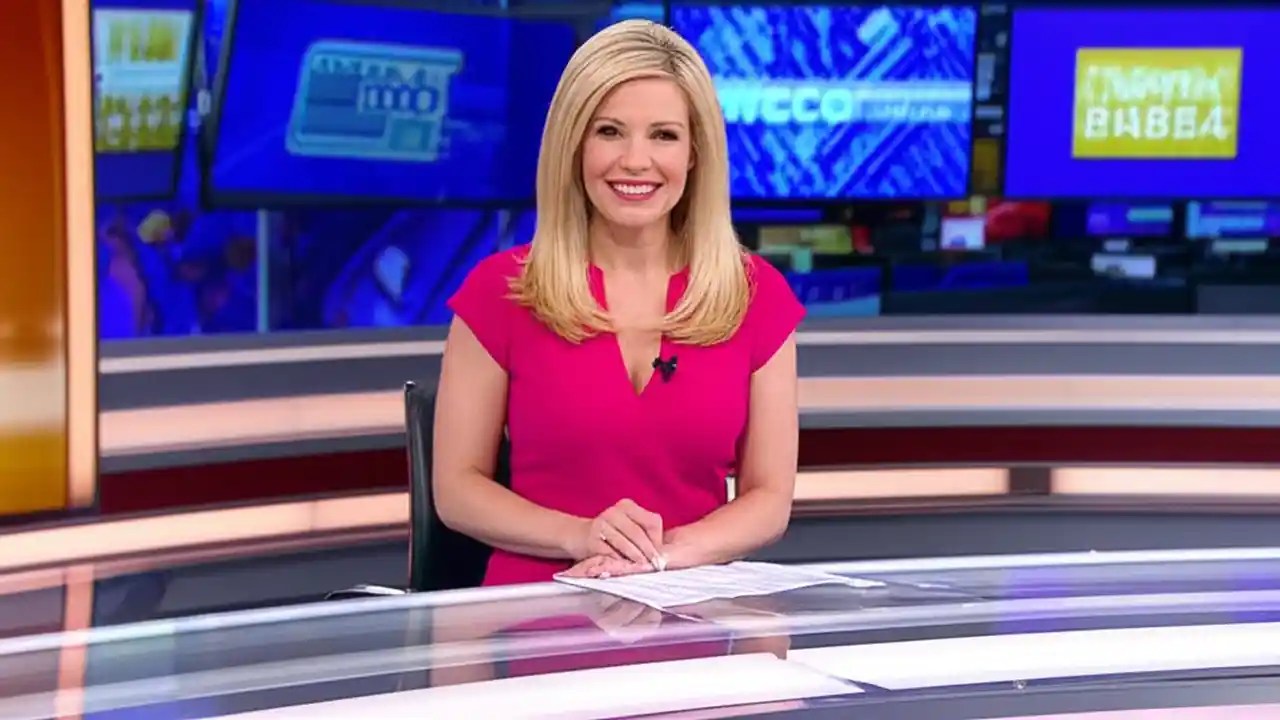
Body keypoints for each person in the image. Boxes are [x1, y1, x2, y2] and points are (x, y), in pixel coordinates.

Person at [434, 19, 805, 586]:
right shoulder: (500, 293)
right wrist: (581, 536)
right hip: (533, 613)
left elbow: (770, 498)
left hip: (689, 607)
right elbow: (457, 490)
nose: (635, 161)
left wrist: (659, 556)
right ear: (574, 145)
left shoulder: (755, 297)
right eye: (609, 131)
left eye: (663, 135)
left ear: (695, 152)